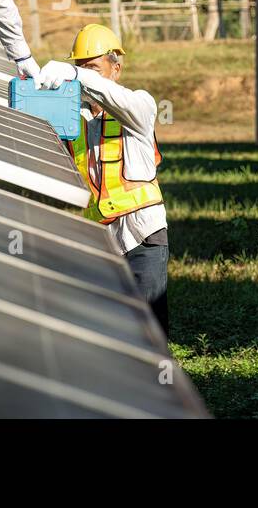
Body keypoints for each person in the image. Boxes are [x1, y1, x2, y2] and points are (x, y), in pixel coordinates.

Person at [38, 24, 169, 335]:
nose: (85, 74)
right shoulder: (74, 120)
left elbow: (114, 98)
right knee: (110, 334)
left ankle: (158, 384)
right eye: (79, 67)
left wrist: (80, 77)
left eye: (94, 67)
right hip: (102, 243)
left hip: (143, 238)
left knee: (148, 334)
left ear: (116, 69)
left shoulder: (140, 107)